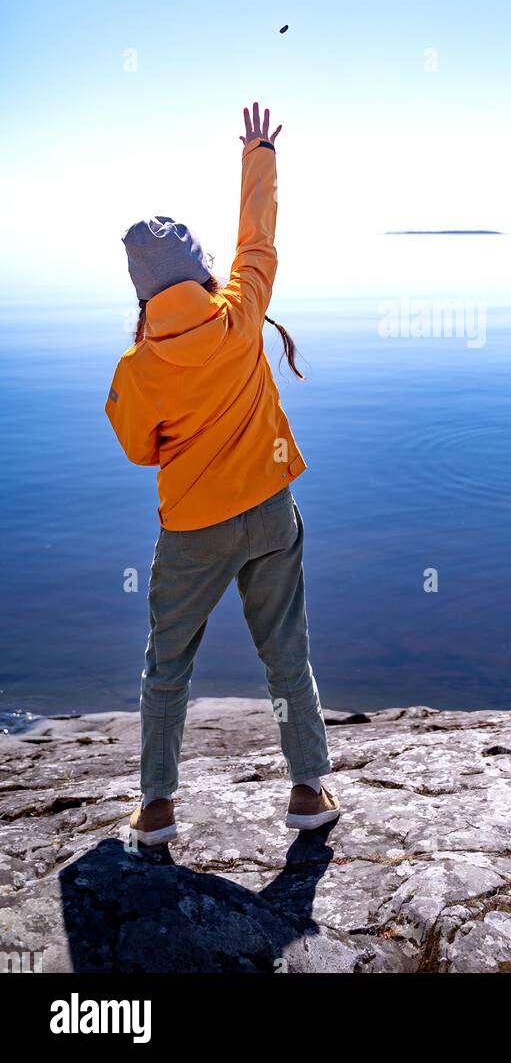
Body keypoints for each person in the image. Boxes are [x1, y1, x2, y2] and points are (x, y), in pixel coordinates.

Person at [105, 103, 338, 846]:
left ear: (141, 289)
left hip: (192, 529)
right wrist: (259, 152)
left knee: (167, 666)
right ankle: (307, 789)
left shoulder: (138, 367)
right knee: (285, 654)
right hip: (270, 512)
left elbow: (140, 449)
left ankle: (158, 806)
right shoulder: (240, 311)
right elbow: (257, 239)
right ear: (199, 268)